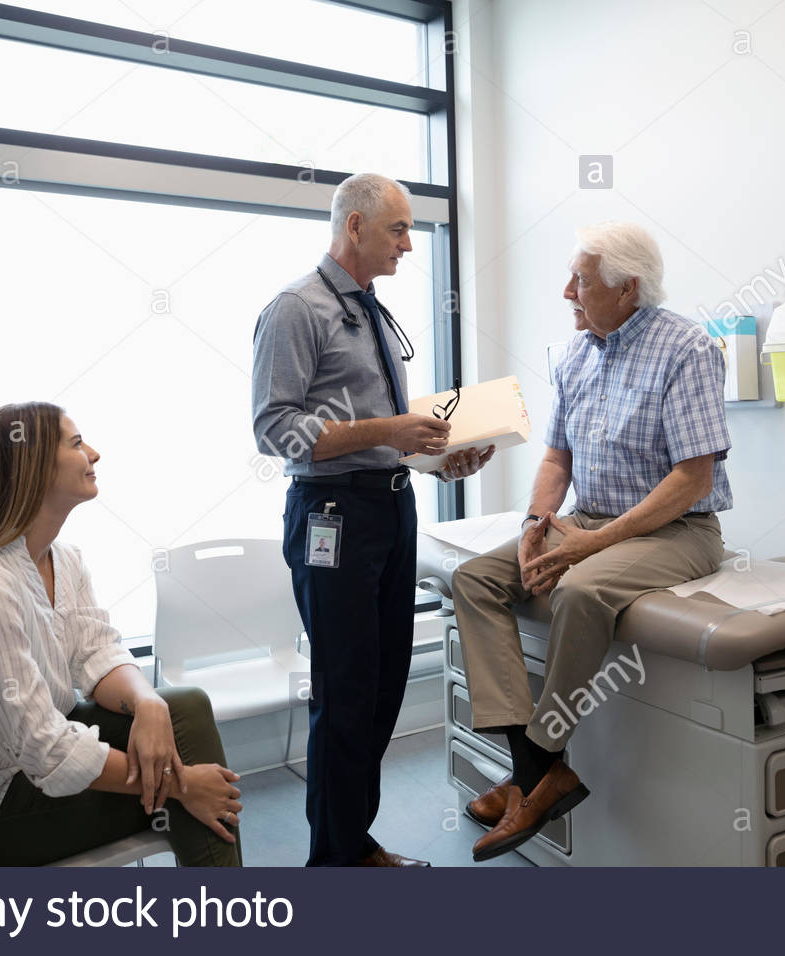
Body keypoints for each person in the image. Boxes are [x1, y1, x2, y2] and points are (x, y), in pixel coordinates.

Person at [451, 221, 732, 862]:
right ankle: (534, 772)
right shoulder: (579, 352)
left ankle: (540, 761)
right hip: (589, 517)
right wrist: (534, 525)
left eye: (580, 279)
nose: (566, 290)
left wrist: (590, 543)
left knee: (579, 590)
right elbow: (556, 458)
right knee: (476, 578)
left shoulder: (686, 349)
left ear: (628, 287)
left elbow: (693, 478)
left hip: (678, 529)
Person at [251, 172, 494, 866]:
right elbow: (277, 432)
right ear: (354, 226)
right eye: (398, 229)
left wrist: (438, 459)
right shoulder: (297, 309)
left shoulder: (370, 309)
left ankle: (354, 843)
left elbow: (379, 431)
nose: (409, 245)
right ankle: (336, 862)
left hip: (391, 505)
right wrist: (389, 427)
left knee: (384, 686)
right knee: (348, 690)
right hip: (333, 517)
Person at [0, 402, 243, 866]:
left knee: (184, 706)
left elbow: (96, 653)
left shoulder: (62, 558)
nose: (94, 454)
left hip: (28, 772)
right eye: (78, 444)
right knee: (200, 789)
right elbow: (43, 748)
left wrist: (148, 703)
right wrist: (183, 785)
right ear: (34, 467)